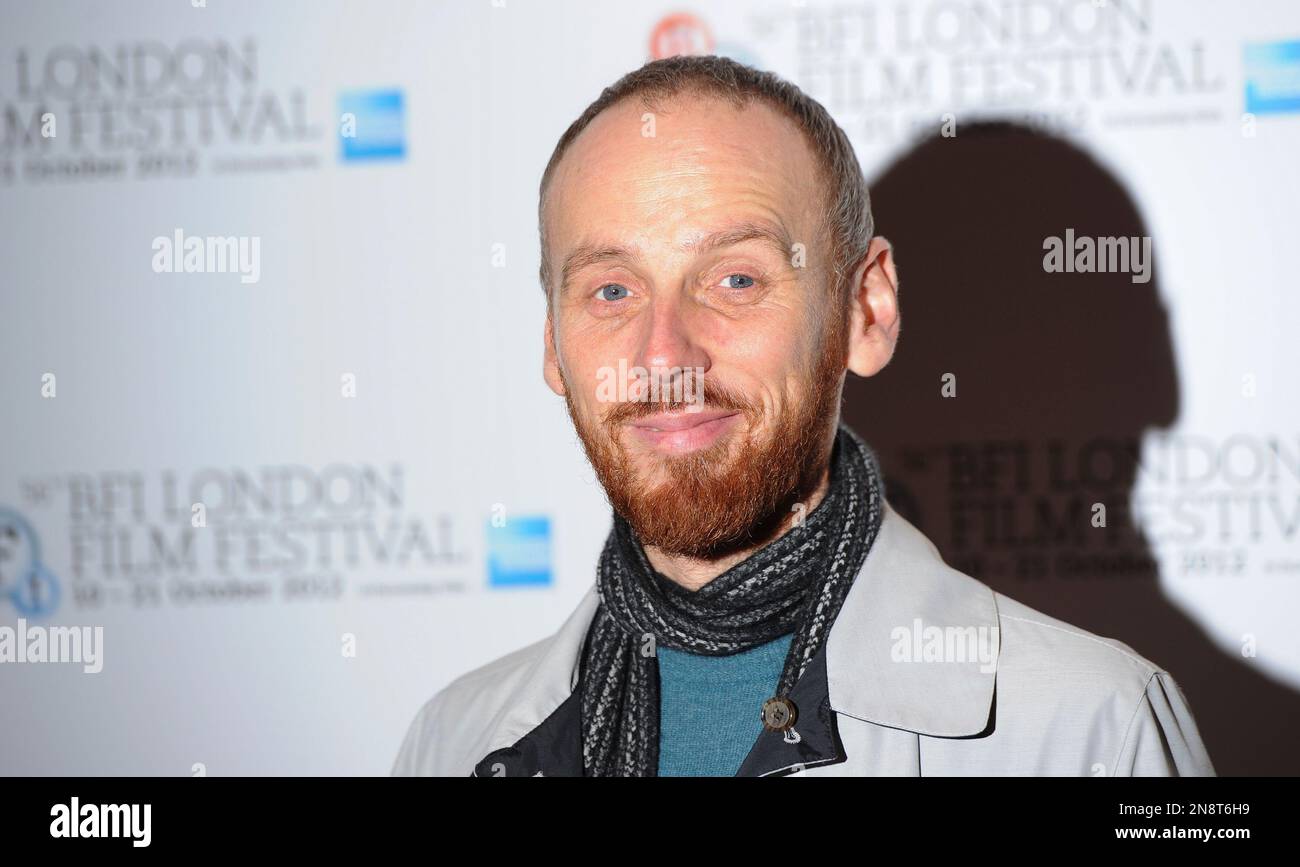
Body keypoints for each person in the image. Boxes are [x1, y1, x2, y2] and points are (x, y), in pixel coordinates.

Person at [392, 55, 1215, 777]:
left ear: (866, 308)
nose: (665, 358)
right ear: (552, 345)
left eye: (736, 280)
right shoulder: (451, 740)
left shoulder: (1091, 728)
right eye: (611, 290)